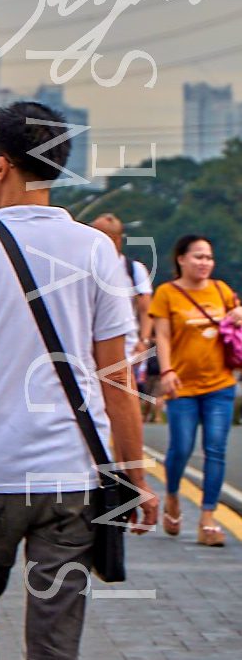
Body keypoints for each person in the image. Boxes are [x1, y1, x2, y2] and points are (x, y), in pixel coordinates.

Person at [0, 101, 157, 660]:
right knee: (54, 636)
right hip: (69, 479)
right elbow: (117, 380)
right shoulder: (97, 250)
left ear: (2, 164)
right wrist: (134, 477)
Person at [149, 233, 242, 547]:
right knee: (181, 448)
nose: (205, 263)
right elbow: (161, 336)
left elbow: (236, 321)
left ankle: (207, 518)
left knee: (215, 449)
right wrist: (167, 371)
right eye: (198, 257)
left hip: (220, 385)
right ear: (181, 259)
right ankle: (173, 495)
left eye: (209, 258)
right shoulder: (167, 293)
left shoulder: (221, 290)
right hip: (182, 386)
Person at [90, 212, 153, 378]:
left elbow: (146, 309)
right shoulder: (84, 269)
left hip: (128, 351)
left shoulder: (133, 270)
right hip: (91, 352)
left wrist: (144, 342)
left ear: (117, 240)